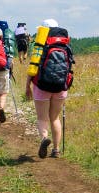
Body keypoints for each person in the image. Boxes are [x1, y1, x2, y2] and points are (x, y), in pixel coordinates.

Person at [25, 18, 70, 159]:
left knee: (42, 118)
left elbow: (32, 68)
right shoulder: (65, 45)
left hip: (42, 86)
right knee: (55, 118)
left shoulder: (40, 45)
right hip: (60, 87)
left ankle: (44, 139)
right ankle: (56, 150)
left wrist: (27, 86)